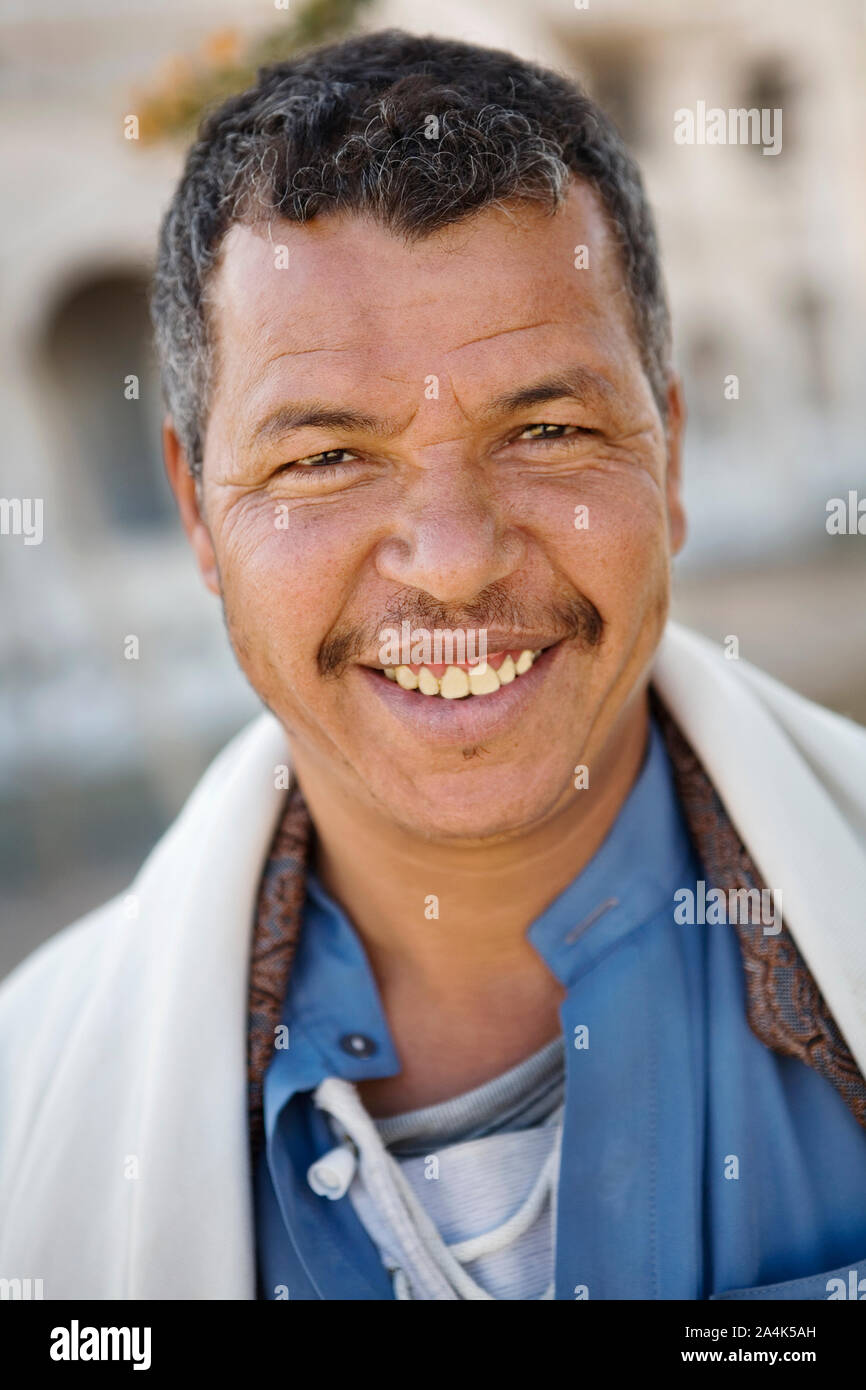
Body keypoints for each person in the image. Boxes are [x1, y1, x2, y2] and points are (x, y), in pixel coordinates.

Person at [1, 29, 865, 1302]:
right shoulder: (26, 1104)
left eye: (549, 429)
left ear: (666, 460)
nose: (454, 562)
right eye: (326, 458)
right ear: (198, 513)